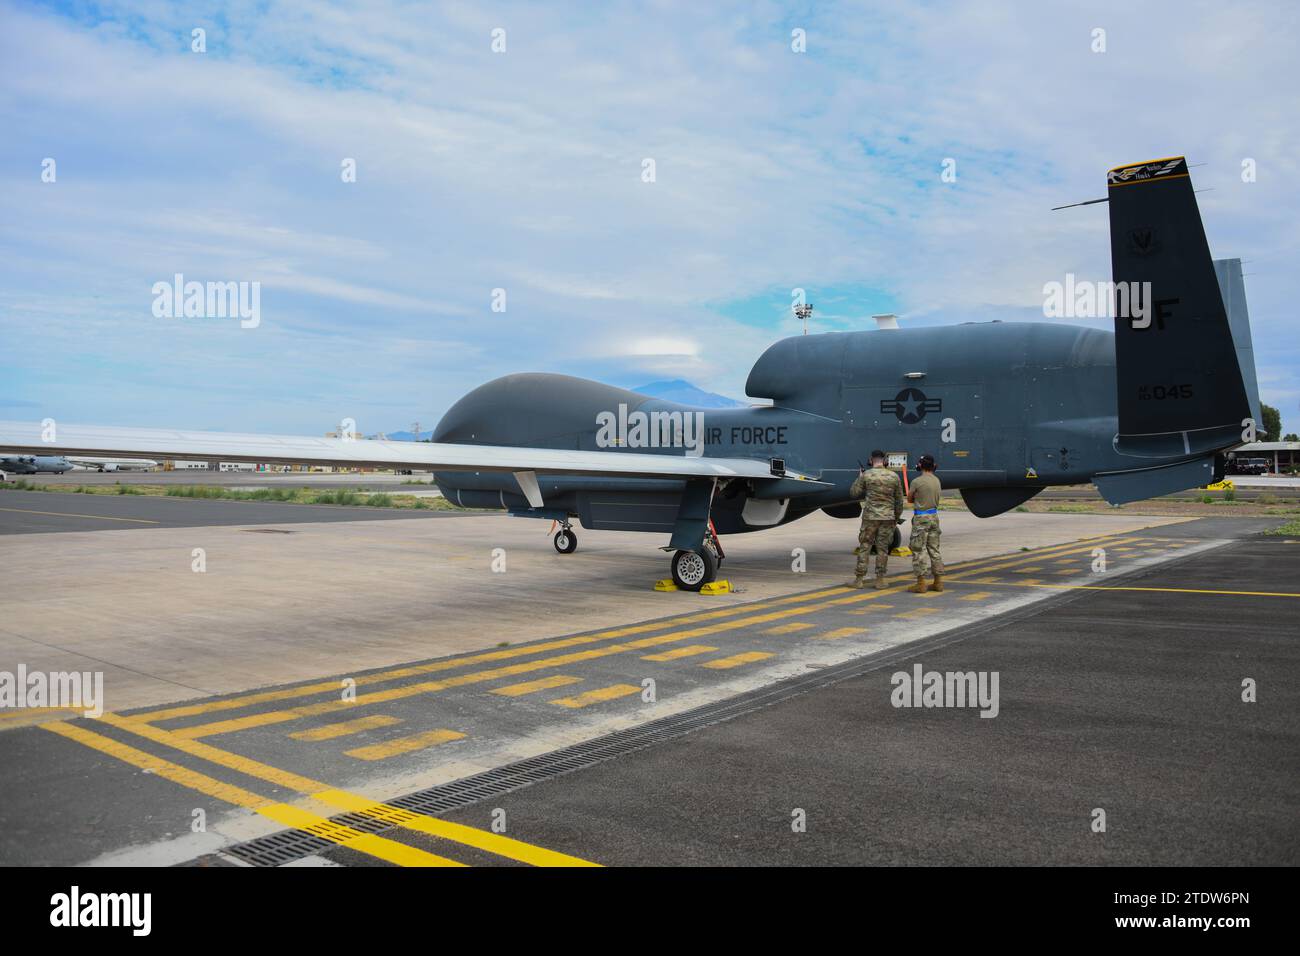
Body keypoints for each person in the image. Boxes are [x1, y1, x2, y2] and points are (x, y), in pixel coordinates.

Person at [846, 449, 903, 589]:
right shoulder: (894, 476)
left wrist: (859, 477)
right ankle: (880, 580)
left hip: (870, 517)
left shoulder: (866, 475)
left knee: (865, 546)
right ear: (884, 461)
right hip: (888, 517)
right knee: (883, 549)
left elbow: (853, 493)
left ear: (871, 460)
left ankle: (859, 579)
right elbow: (899, 501)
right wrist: (896, 517)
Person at [906, 454, 943, 594]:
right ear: (934, 466)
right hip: (934, 516)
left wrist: (914, 496)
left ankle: (921, 583)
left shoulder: (916, 481)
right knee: (934, 549)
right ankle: (938, 582)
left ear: (920, 466)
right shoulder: (937, 480)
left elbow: (909, 499)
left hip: (921, 518)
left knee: (918, 549)